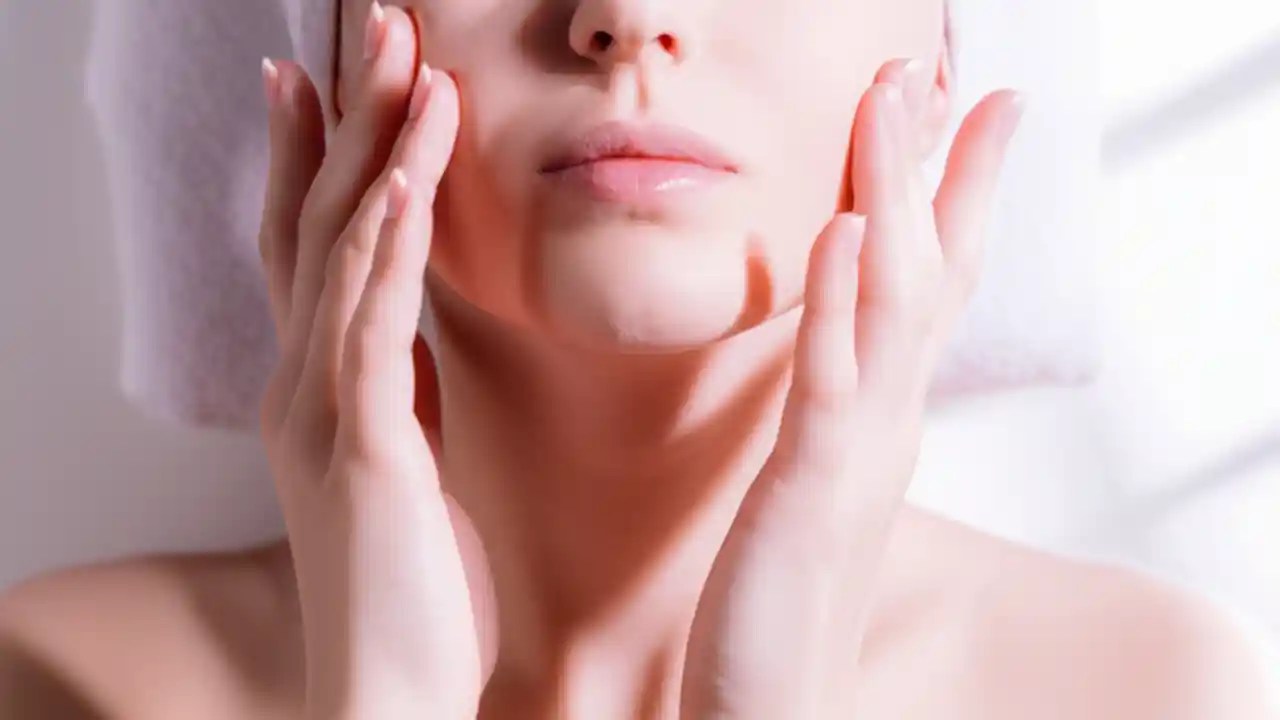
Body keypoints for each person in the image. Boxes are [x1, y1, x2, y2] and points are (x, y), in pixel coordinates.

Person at [2, 0, 1276, 717]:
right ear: (331, 41)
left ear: (947, 52)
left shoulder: (1147, 696)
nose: (628, 18)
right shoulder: (58, 686)